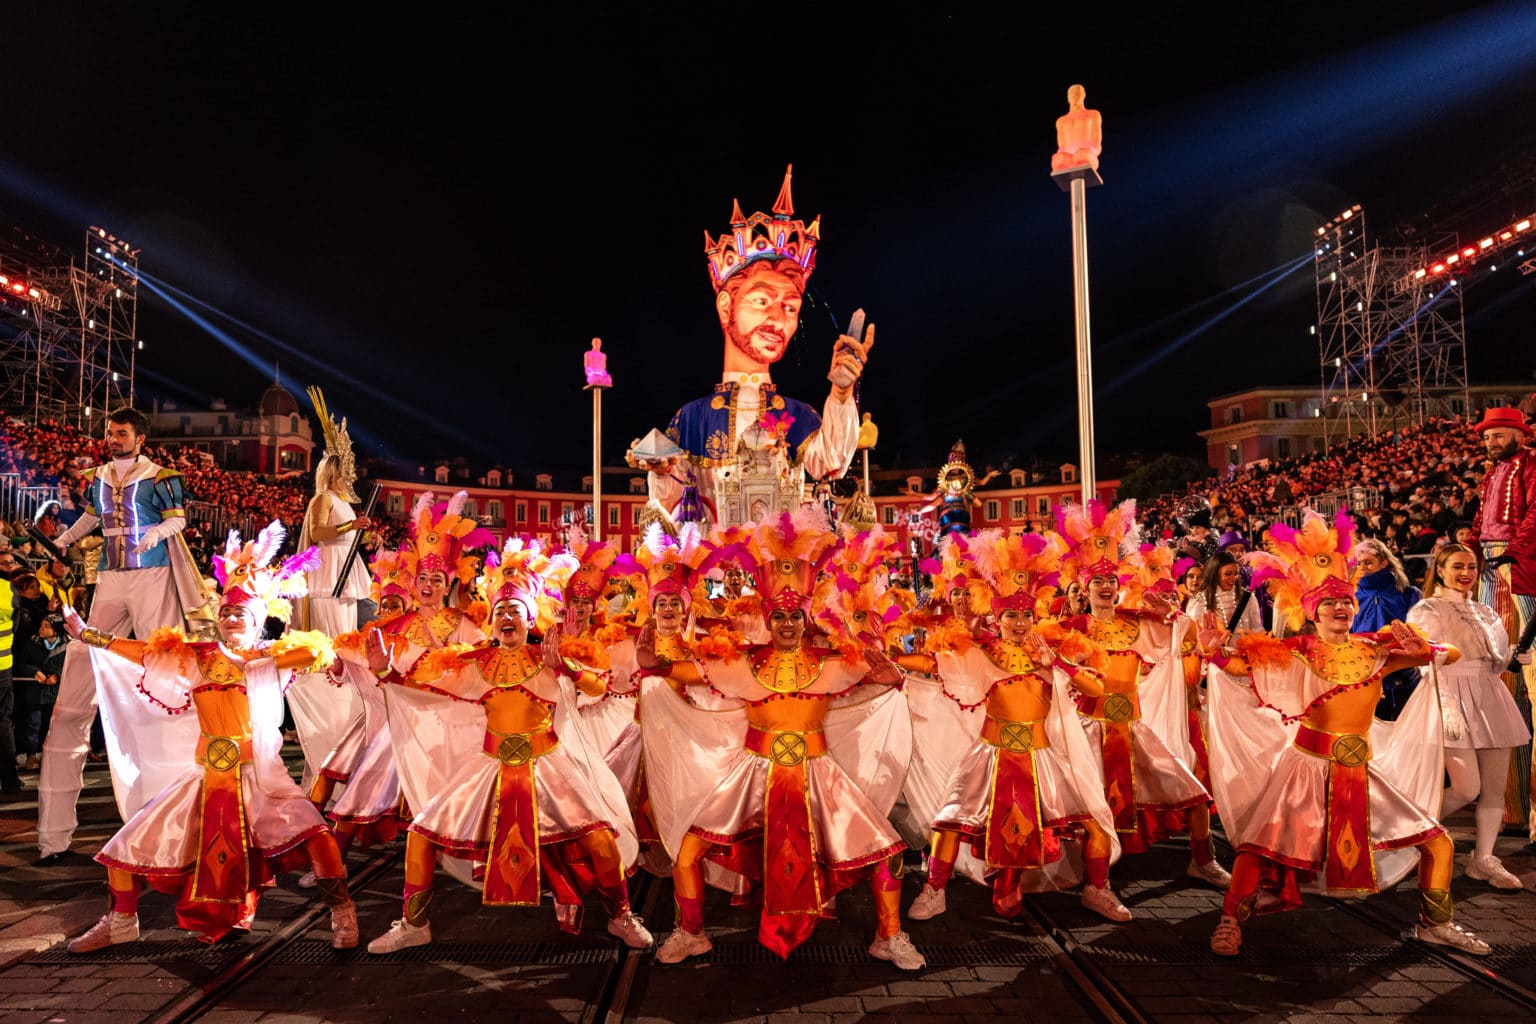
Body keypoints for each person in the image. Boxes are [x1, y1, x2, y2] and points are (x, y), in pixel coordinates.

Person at [641, 510, 924, 969]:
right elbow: (691, 672)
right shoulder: (743, 662)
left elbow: (884, 678)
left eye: (796, 615)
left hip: (819, 775)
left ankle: (889, 936)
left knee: (888, 854)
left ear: (805, 617)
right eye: (781, 616)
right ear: (768, 617)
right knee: (687, 849)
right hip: (752, 776)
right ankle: (690, 932)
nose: (788, 623)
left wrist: (887, 667)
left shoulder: (830, 660)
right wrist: (656, 663)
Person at [62, 522, 358, 952]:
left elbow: (317, 651)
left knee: (319, 837)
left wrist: (256, 664)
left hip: (258, 778)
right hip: (204, 777)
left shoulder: (269, 656)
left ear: (258, 619)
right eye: (226, 612)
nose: (231, 617)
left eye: (241, 612)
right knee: (122, 847)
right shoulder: (197, 656)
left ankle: (342, 914)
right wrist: (88, 633)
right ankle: (122, 921)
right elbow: (141, 651)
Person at [1204, 510, 1487, 958]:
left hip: (1363, 769)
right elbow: (1241, 665)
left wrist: (1429, 649)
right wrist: (1214, 652)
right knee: (1259, 848)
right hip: (1306, 769)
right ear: (1311, 613)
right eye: (1329, 604)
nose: (1340, 608)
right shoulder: (1298, 649)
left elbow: (1449, 654)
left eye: (1346, 603)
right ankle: (1228, 922)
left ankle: (1437, 924)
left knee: (1438, 841)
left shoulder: (1376, 647)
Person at [365, 541, 651, 954]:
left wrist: (566, 667)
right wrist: (384, 671)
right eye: (500, 612)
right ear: (493, 623)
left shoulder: (547, 656)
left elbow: (599, 685)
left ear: (530, 618)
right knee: (421, 834)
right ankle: (414, 924)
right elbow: (427, 686)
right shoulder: (475, 663)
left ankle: (621, 915)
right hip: (490, 765)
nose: (506, 617)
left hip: (549, 763)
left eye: (514, 610)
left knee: (600, 836)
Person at [897, 530, 1128, 923]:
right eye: (1011, 616)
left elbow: (1097, 688)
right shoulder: (983, 653)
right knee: (949, 822)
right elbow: (936, 667)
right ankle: (935, 891)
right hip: (989, 755)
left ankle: (1098, 889)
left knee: (1096, 825)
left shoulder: (1052, 649)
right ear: (996, 618)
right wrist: (895, 665)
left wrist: (1055, 664)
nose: (1020, 623)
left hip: (1042, 758)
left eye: (1026, 615)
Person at [628, 166, 868, 531]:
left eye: (790, 307)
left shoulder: (798, 416)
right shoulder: (692, 419)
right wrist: (661, 471)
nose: (778, 319)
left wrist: (841, 394)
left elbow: (832, 461)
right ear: (726, 306)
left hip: (783, 573)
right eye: (761, 301)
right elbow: (669, 505)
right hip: (714, 574)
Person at [37, 408, 212, 865]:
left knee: (162, 667)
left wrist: (154, 534)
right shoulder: (97, 476)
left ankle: (176, 821)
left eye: (121, 433)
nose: (113, 439)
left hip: (152, 576)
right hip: (111, 577)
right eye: (110, 433)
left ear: (141, 437)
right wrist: (63, 540)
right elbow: (94, 518)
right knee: (81, 665)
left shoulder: (162, 476)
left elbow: (176, 520)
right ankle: (52, 837)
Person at [1057, 501, 1228, 887]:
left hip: (1134, 728)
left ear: (1120, 587)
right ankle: (1096, 885)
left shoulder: (1139, 624)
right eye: (1097, 582)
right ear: (1085, 588)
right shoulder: (1071, 627)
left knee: (1192, 791)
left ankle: (1202, 859)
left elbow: (1181, 635)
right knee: (1087, 806)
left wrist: (1182, 626)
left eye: (1111, 581)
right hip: (1088, 731)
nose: (1105, 586)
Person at [1407, 544, 1531, 888]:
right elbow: (1421, 657)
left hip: (1489, 694)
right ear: (1441, 569)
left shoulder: (1486, 611)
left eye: (1472, 567)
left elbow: (1493, 660)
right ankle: (1410, 834)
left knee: (1493, 789)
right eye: (1458, 566)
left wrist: (1512, 660)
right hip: (1448, 695)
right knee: (1465, 788)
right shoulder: (1427, 609)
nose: (1466, 573)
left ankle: (1484, 859)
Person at [1468, 406, 1536, 836]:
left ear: (1517, 433)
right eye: (1487, 437)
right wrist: (1472, 548)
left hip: (1520, 572)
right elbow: (1481, 523)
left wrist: (1513, 551)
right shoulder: (1492, 474)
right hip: (1491, 572)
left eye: (1498, 436)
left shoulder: (1531, 464)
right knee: (1496, 679)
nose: (1490, 443)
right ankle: (1507, 803)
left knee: (1525, 677)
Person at [1351, 537, 1423, 720]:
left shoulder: (1408, 593)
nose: (1363, 567)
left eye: (1368, 562)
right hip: (1364, 671)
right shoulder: (1351, 596)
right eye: (1359, 563)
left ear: (1384, 562)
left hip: (1402, 672)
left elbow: (1420, 629)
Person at [14, 612, 65, 772]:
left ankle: (49, 755)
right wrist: (33, 672)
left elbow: (71, 667)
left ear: (56, 630)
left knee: (51, 725)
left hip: (54, 693)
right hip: (34, 692)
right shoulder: (32, 643)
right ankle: (31, 755)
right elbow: (20, 664)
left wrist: (57, 675)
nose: (42, 629)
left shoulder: (66, 646)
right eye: (42, 625)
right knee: (32, 724)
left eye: (47, 627)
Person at [1185, 551, 1264, 635]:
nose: (1233, 578)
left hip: (1245, 648)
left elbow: (1257, 632)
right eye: (1228, 574)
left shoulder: (1248, 598)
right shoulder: (1199, 601)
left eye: (1236, 573)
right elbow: (1193, 637)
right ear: (1215, 574)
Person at [1051, 84, 1103, 173]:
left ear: (1083, 96)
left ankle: (1078, 158)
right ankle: (1073, 160)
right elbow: (1061, 147)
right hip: (1068, 158)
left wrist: (1090, 152)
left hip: (1086, 155)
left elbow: (1096, 145)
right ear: (1068, 98)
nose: (1074, 96)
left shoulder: (1093, 115)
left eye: (1077, 93)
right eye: (1072, 94)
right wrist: (1062, 156)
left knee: (1081, 156)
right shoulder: (1061, 121)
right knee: (1058, 159)